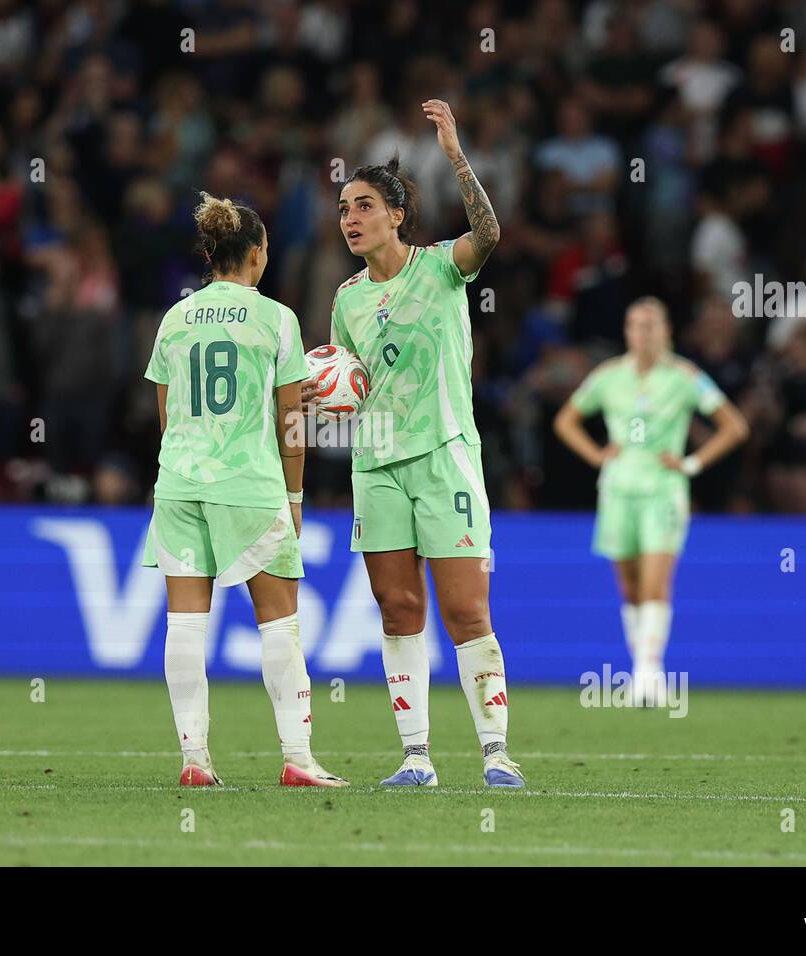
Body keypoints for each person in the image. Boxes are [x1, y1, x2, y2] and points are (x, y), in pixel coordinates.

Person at [311, 99, 522, 788]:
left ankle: (496, 753)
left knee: (466, 611)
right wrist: (325, 393)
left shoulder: (441, 266)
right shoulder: (345, 299)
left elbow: (488, 233)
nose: (351, 218)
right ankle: (416, 758)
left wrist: (457, 155)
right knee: (399, 609)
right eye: (345, 207)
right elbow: (353, 380)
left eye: (365, 205)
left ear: (397, 215)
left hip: (444, 457)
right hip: (376, 465)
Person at [142, 192, 346, 787]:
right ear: (258, 254)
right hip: (248, 485)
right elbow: (292, 426)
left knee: (184, 624)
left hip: (179, 483)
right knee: (279, 623)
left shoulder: (175, 318)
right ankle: (298, 759)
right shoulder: (277, 319)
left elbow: (166, 412)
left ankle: (195, 760)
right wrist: (296, 499)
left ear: (209, 253)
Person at [554, 297, 748, 704]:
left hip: (663, 490)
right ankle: (640, 668)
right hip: (618, 490)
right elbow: (566, 420)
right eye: (634, 325)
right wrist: (597, 456)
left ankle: (648, 675)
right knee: (630, 586)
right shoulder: (608, 376)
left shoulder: (685, 376)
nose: (641, 334)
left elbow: (734, 426)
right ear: (626, 332)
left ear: (666, 331)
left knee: (657, 581)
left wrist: (691, 463)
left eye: (650, 326)